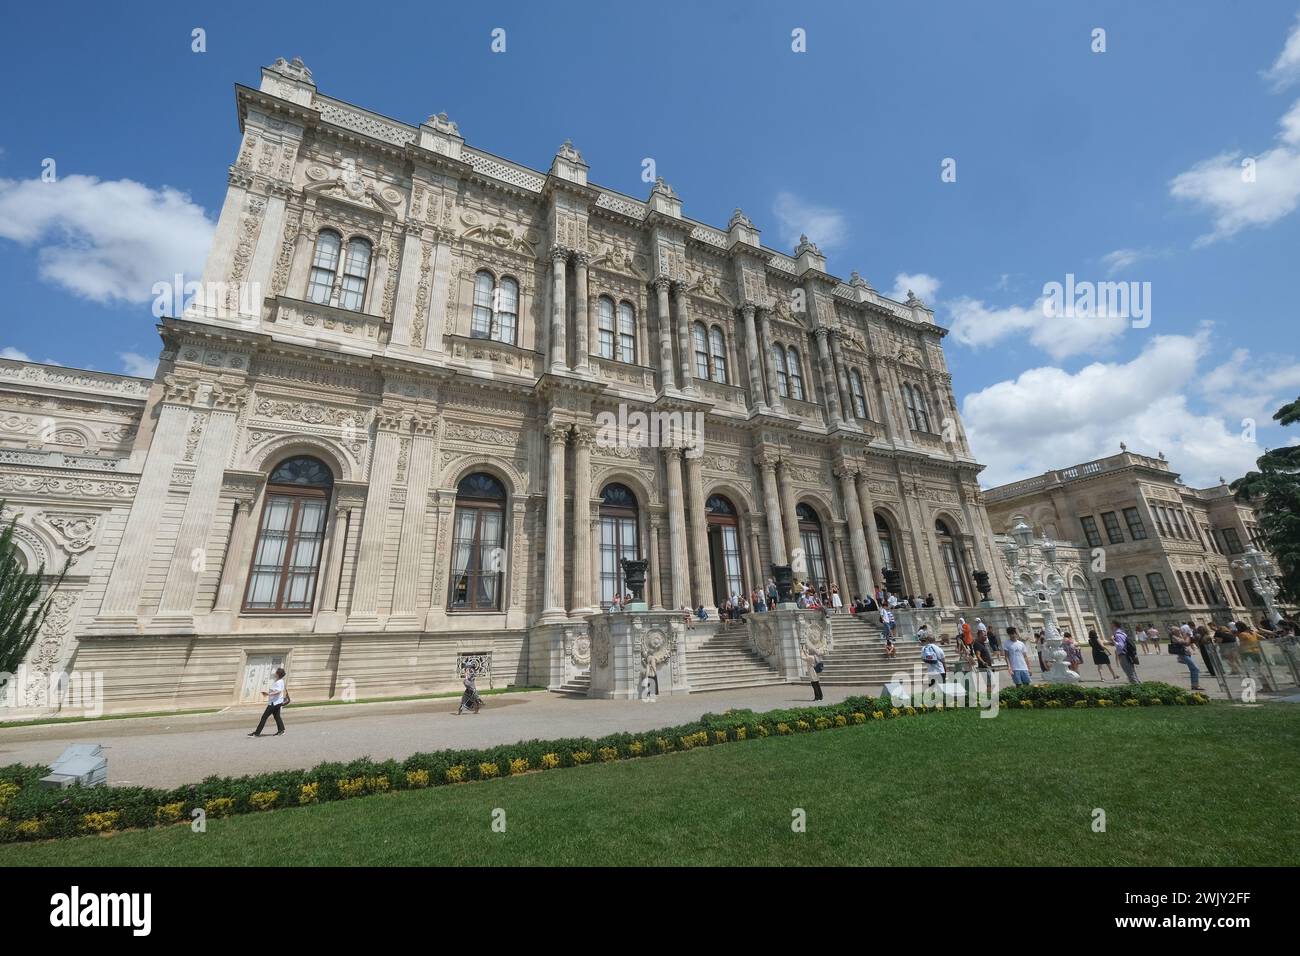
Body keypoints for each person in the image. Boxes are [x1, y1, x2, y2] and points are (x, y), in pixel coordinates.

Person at [248, 667, 288, 737]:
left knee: (264, 717)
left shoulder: (278, 682)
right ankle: (281, 730)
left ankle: (257, 733)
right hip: (277, 702)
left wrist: (268, 694)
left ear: (278, 674)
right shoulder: (281, 680)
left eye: (276, 672)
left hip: (274, 703)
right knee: (277, 717)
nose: (275, 673)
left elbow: (278, 691)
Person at [1170, 626, 1203, 691]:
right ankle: (1195, 685)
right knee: (1195, 669)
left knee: (1193, 669)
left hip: (1186, 654)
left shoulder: (1179, 636)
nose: (1180, 632)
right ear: (1174, 632)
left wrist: (1188, 637)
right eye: (1178, 631)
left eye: (1179, 630)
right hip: (1183, 655)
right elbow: (1186, 643)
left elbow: (1187, 644)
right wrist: (1188, 637)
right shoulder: (1174, 637)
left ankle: (1195, 685)